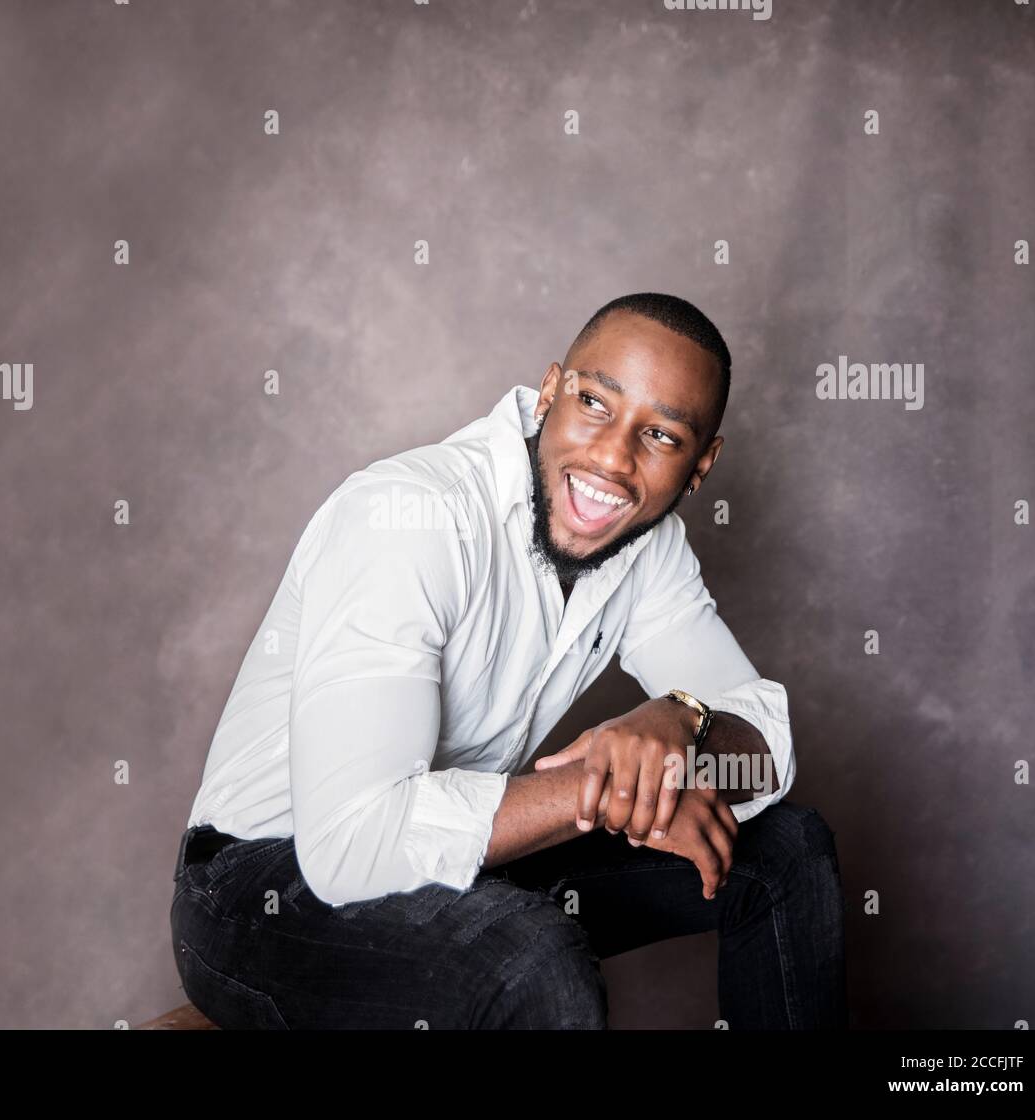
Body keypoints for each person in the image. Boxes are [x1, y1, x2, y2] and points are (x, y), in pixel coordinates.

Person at [170, 292, 847, 1029]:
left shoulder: (649, 546)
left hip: (470, 854)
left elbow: (766, 750)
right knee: (532, 960)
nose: (613, 459)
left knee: (786, 853)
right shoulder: (409, 518)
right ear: (550, 392)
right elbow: (352, 845)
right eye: (594, 403)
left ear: (701, 464)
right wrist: (609, 786)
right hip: (262, 880)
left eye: (660, 435)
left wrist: (683, 726)